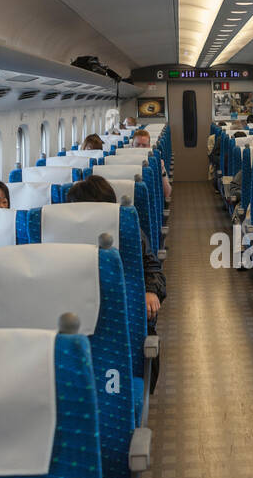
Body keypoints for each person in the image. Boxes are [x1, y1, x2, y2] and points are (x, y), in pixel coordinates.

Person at [66, 175, 166, 391]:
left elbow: (152, 269)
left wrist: (150, 291)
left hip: (124, 321)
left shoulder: (128, 233)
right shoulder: (57, 239)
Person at [133, 129, 173, 202]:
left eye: (144, 145)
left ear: (149, 146)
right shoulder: (122, 161)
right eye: (137, 144)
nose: (141, 148)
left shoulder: (154, 162)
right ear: (132, 145)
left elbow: (167, 193)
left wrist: (162, 171)